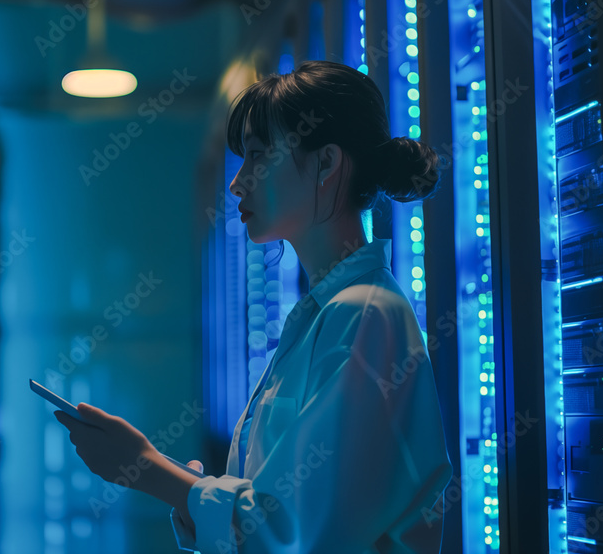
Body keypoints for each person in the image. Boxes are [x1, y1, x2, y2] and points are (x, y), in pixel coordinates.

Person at [54, 59, 452, 553]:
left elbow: (300, 534)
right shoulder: (328, 313)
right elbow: (286, 508)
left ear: (327, 163)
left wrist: (147, 469)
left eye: (259, 156)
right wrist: (184, 486)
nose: (237, 182)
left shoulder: (364, 314)